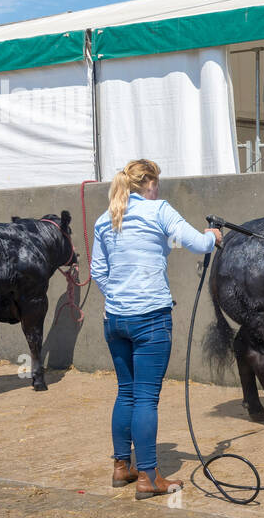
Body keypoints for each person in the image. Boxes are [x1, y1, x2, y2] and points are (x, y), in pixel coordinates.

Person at [89, 159, 223, 499]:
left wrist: (120, 297)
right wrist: (213, 236)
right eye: (156, 183)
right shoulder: (158, 210)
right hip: (150, 318)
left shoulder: (105, 220)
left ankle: (122, 467)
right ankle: (149, 477)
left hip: (115, 320)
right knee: (147, 398)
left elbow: (98, 271)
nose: (158, 189)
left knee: (126, 392)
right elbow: (196, 243)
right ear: (146, 184)